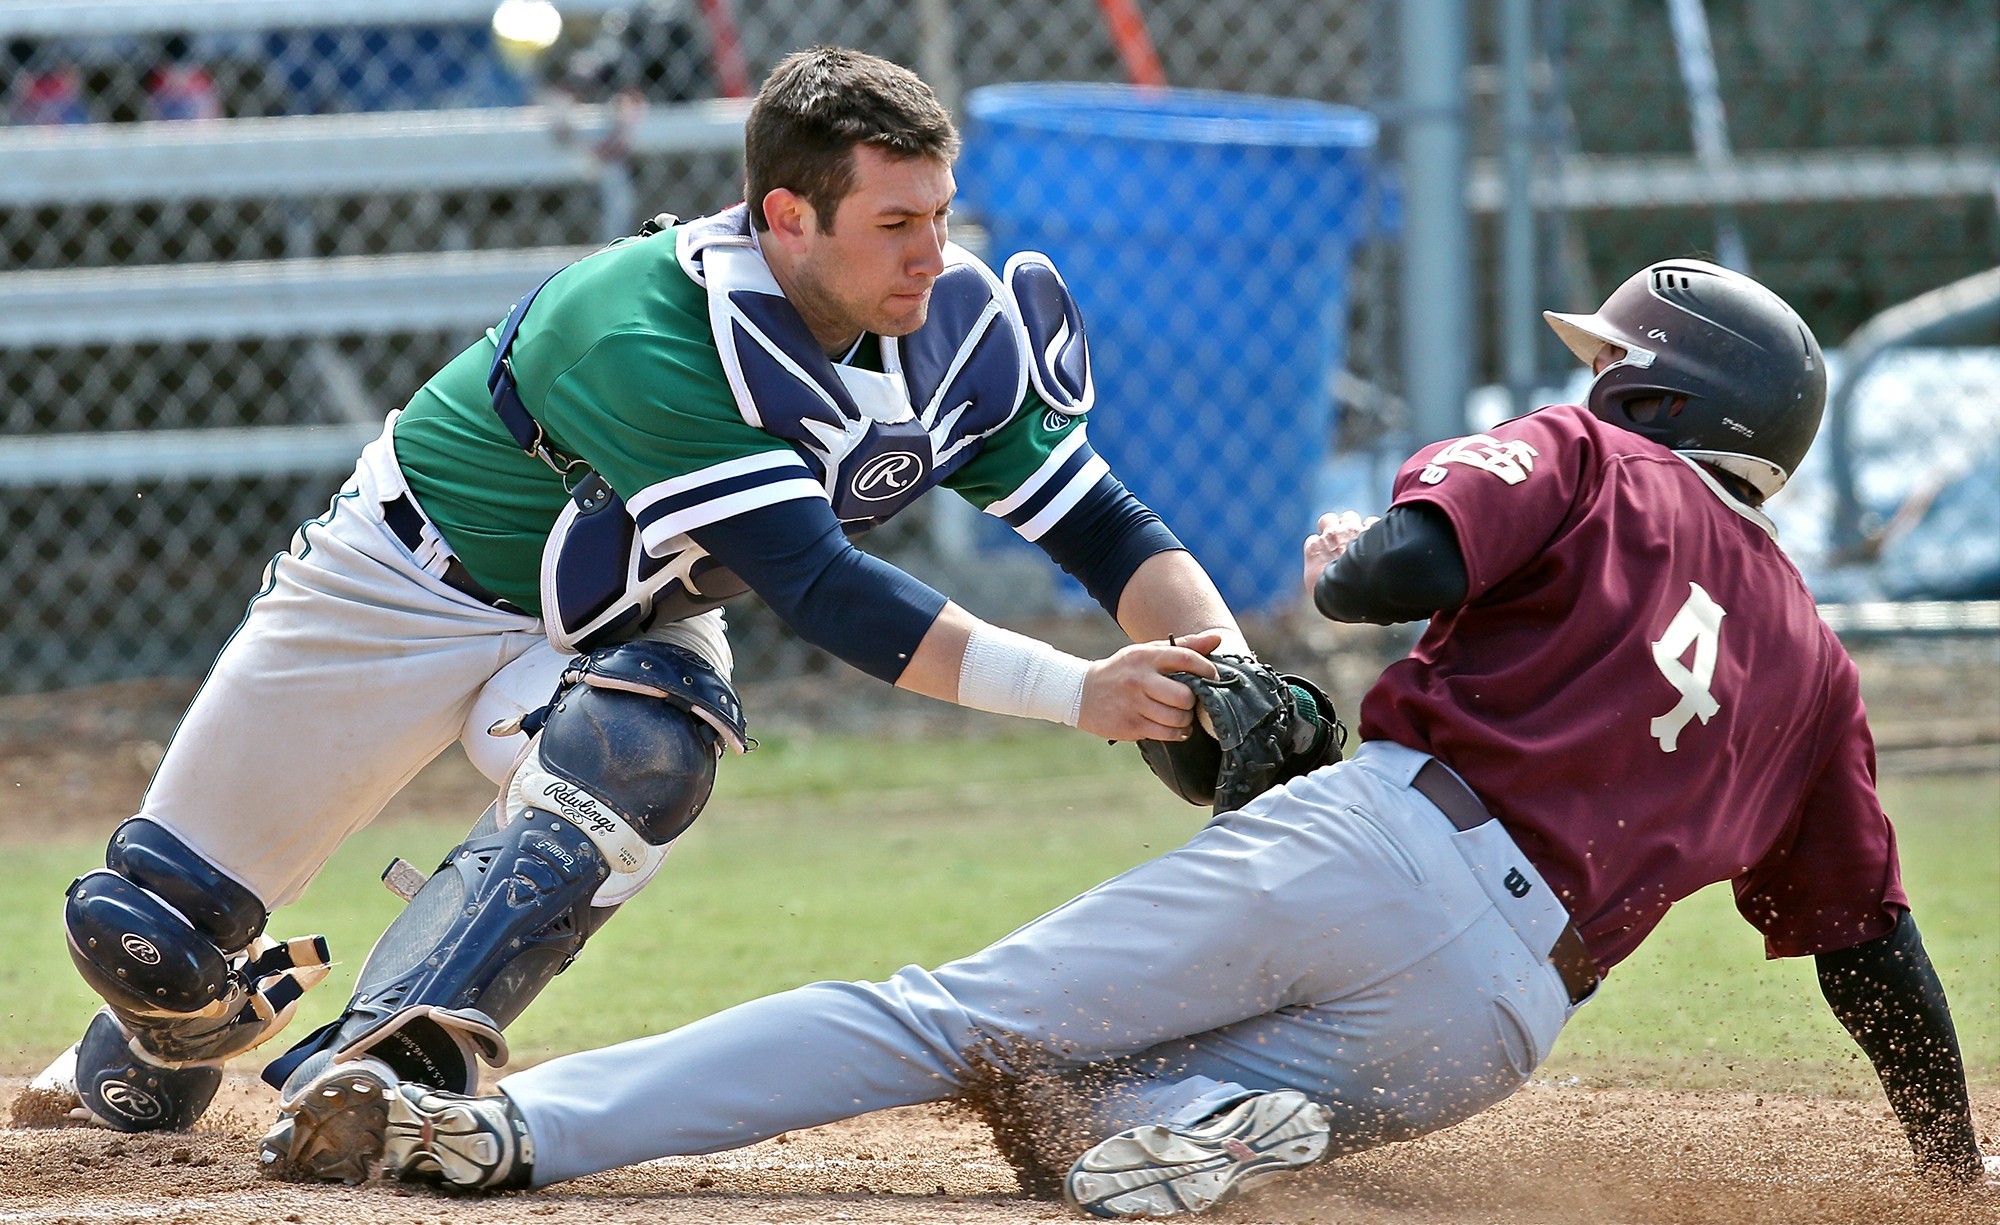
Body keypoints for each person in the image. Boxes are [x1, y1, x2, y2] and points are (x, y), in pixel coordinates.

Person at [277, 258, 1993, 1214]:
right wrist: (1949, 1170)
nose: (1599, 378)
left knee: (942, 1022)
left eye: (1620, 364)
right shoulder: (1817, 676)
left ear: (1657, 397)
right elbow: (1873, 951)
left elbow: (1409, 566)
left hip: (1388, 841)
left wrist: (1342, 565)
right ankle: (1204, 1128)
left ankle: (515, 1132)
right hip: (1503, 1019)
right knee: (1072, 1111)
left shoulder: (1587, 454)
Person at [21, 46, 1266, 1176]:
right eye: (894, 224)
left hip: (619, 624)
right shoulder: (646, 328)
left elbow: (1104, 526)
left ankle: (378, 1068)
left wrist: (1227, 671)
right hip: (405, 581)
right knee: (153, 935)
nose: (931, 256)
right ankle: (147, 1059)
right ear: (787, 215)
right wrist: (1077, 692)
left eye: (938, 215)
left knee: (647, 744)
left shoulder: (947, 327)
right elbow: (826, 587)